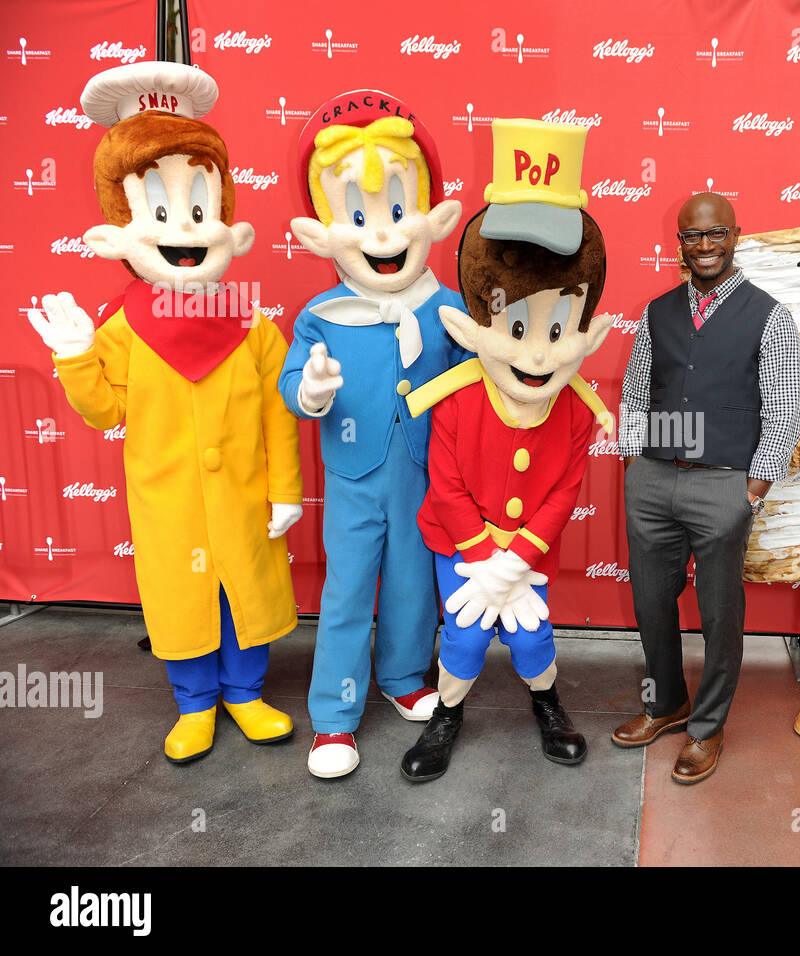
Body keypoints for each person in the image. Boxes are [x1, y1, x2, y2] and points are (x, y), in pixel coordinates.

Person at [26, 62, 302, 764]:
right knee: (183, 600)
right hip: (168, 502)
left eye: (201, 206)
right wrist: (74, 358)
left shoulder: (251, 323)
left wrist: (285, 491)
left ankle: (245, 692)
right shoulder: (117, 329)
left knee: (245, 595)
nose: (184, 226)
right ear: (120, 223)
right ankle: (195, 703)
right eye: (159, 210)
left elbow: (278, 412)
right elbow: (103, 411)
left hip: (243, 500)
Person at [399, 118, 613, 782]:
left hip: (527, 548)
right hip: (460, 544)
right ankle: (449, 714)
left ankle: (547, 702)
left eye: (557, 327)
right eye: (517, 325)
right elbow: (446, 484)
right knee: (462, 633)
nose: (538, 352)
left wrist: (515, 561)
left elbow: (562, 492)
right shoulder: (459, 397)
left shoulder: (576, 407)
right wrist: (484, 560)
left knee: (531, 634)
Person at [278, 90, 468, 779]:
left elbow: (475, 379)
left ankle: (403, 676)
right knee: (349, 591)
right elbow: (293, 381)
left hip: (425, 476)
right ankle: (334, 716)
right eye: (359, 217)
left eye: (394, 211)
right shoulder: (322, 313)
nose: (382, 235)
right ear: (325, 227)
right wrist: (311, 390)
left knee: (415, 585)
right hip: (354, 478)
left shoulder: (449, 307)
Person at [613, 193, 800, 783]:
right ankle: (665, 702)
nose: (703, 246)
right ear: (680, 244)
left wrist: (751, 491)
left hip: (723, 486)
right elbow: (637, 392)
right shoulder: (657, 313)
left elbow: (783, 407)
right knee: (650, 603)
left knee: (721, 614)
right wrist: (634, 464)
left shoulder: (768, 316)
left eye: (714, 234)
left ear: (736, 236)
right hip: (653, 480)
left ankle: (708, 726)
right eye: (691, 237)